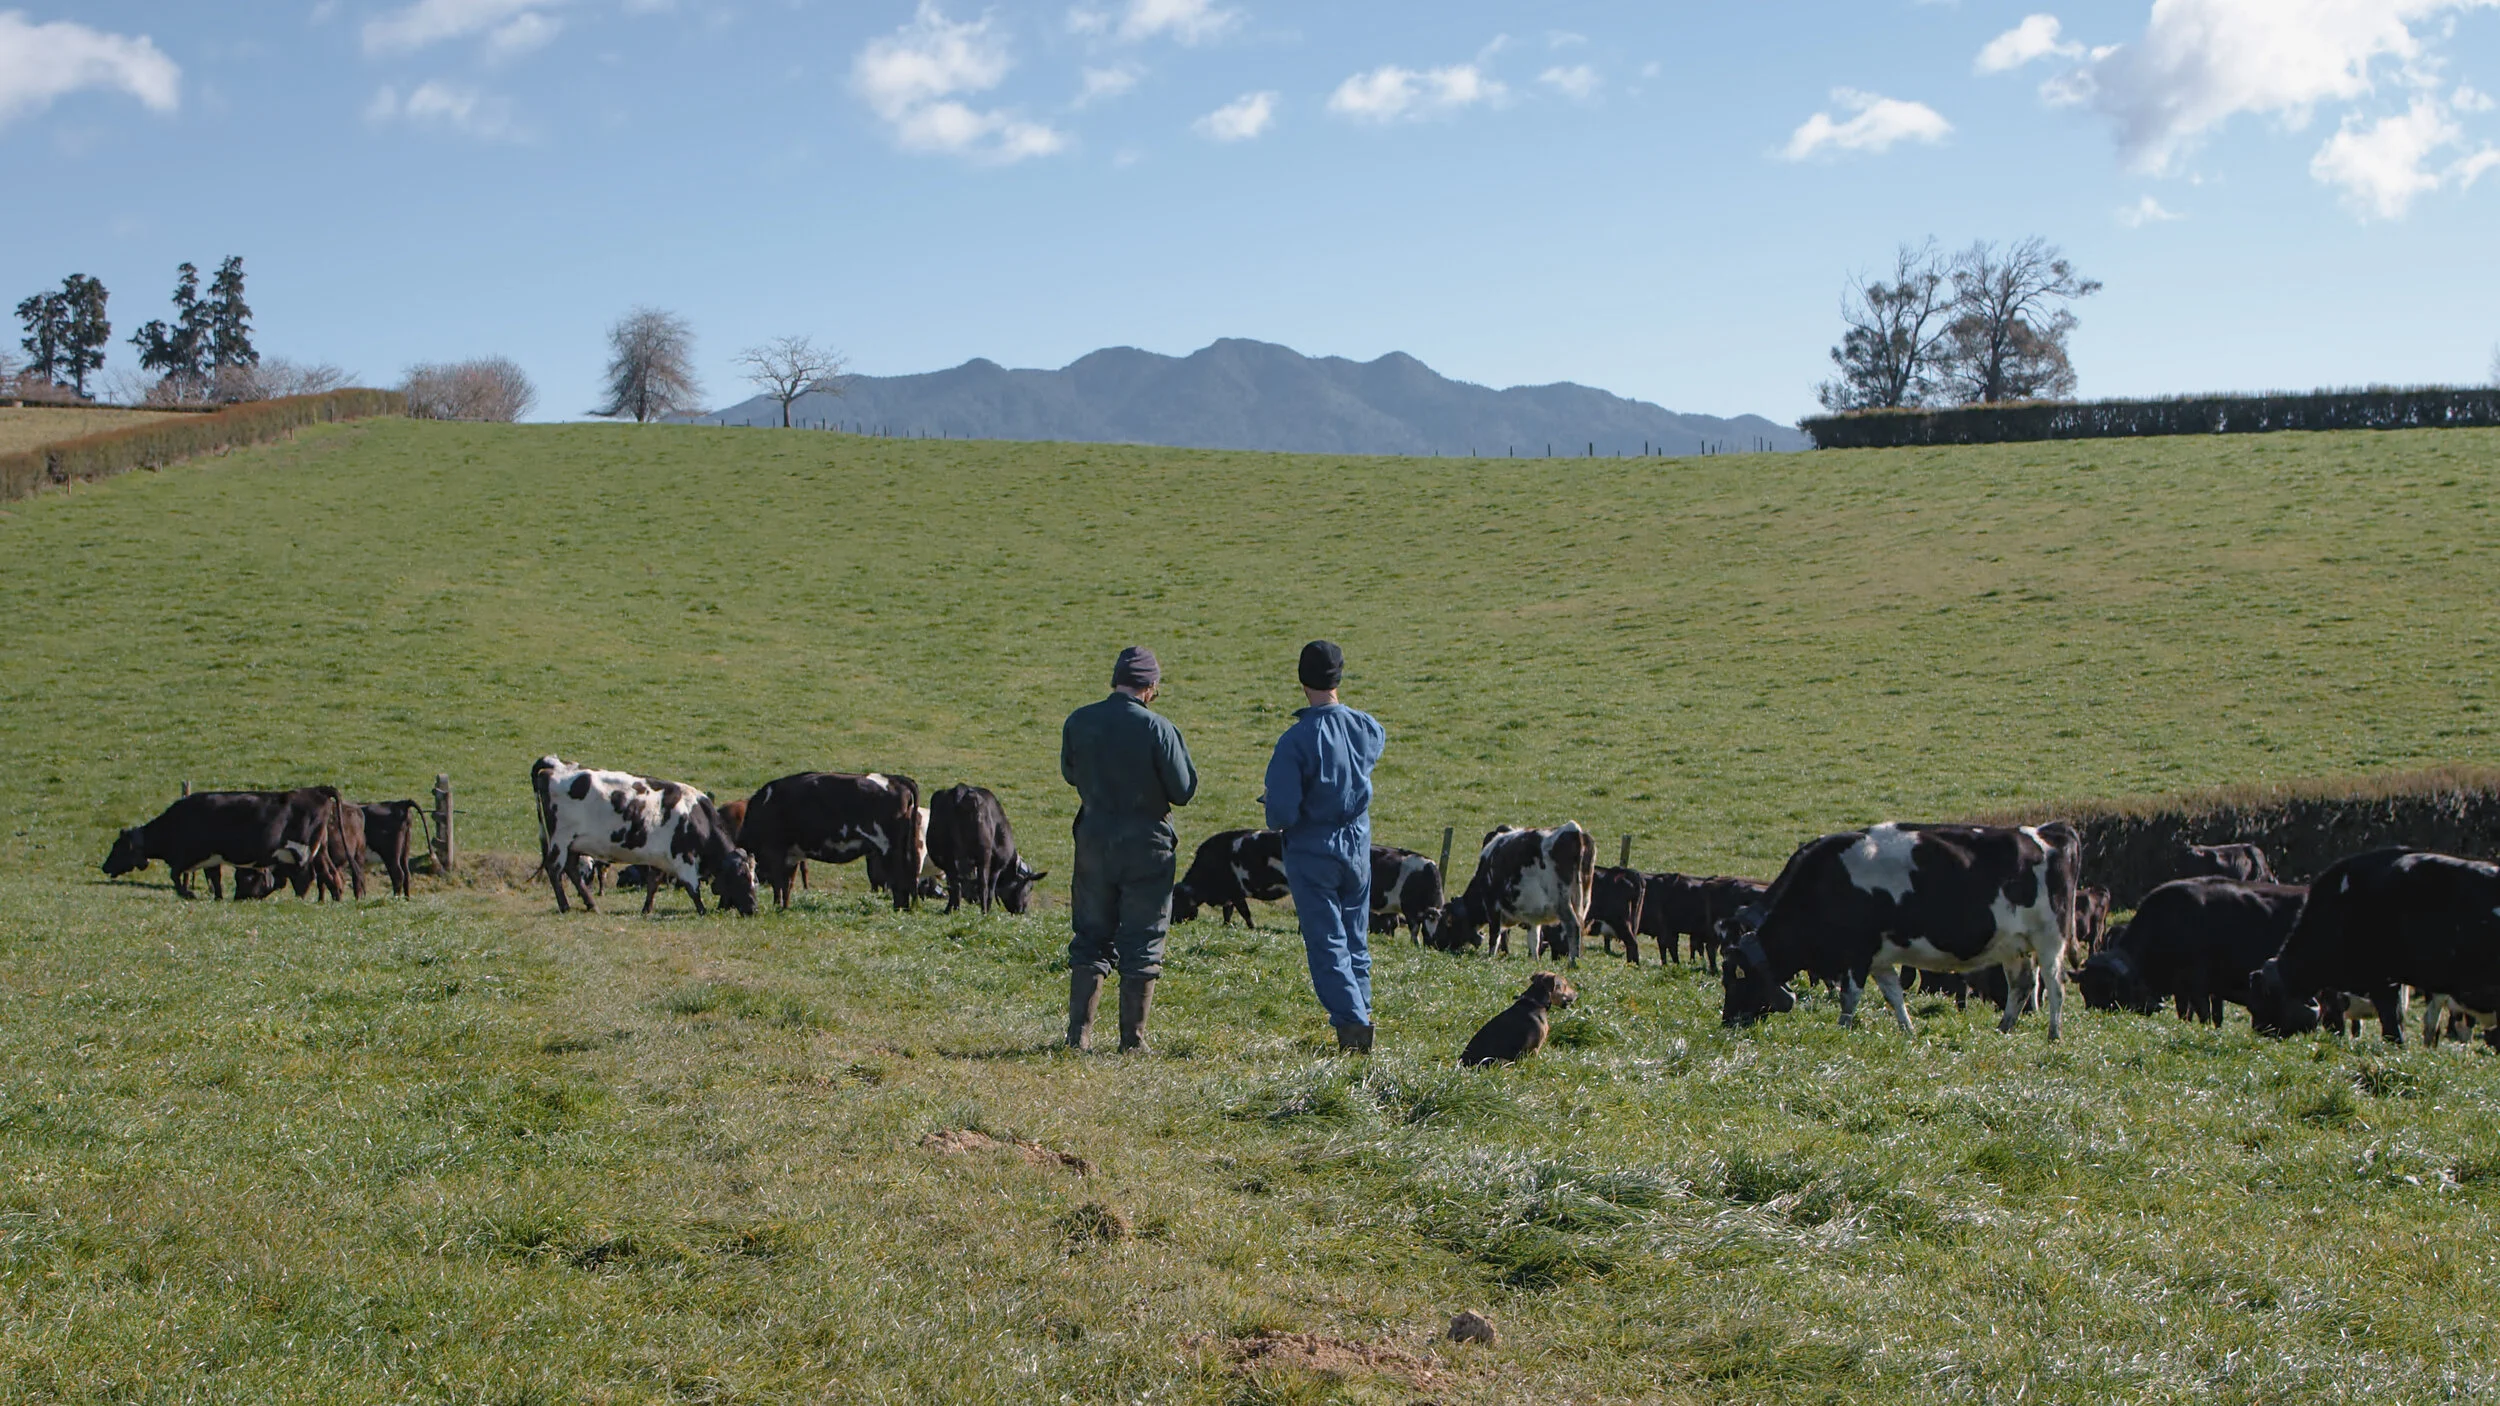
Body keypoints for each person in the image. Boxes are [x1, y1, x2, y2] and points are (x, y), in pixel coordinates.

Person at [1060, 645, 1198, 1052]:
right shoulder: (1159, 729)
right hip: (1147, 845)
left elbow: (1070, 773)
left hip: (1094, 839)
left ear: (1114, 680)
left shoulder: (1079, 721)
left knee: (1090, 934)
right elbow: (1183, 790)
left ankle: (1077, 1035)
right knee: (1144, 938)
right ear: (1151, 687)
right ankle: (1132, 1041)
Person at [1263, 640, 1388, 1052]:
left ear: (1302, 682)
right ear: (1339, 677)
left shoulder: (1295, 740)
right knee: (1355, 936)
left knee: (1327, 940)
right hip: (1357, 844)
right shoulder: (1367, 727)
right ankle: (1363, 1010)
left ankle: (1353, 1027)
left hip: (1313, 847)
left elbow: (1281, 813)